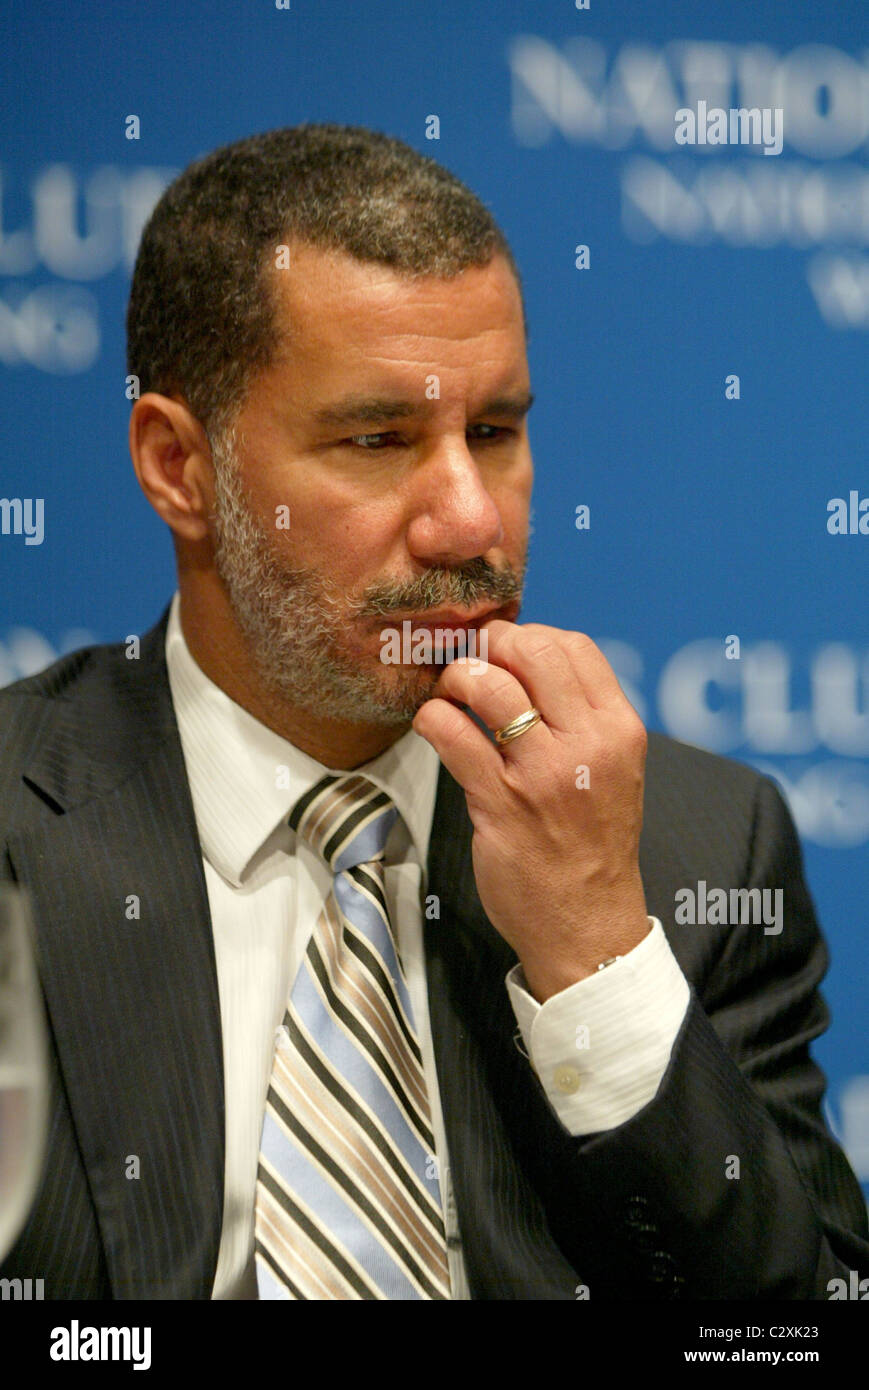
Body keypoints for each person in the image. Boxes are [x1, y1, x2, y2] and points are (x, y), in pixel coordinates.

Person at [1, 123, 867, 1301]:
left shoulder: (697, 844)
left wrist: (596, 955)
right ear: (178, 467)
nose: (470, 523)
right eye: (377, 439)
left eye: (495, 433)